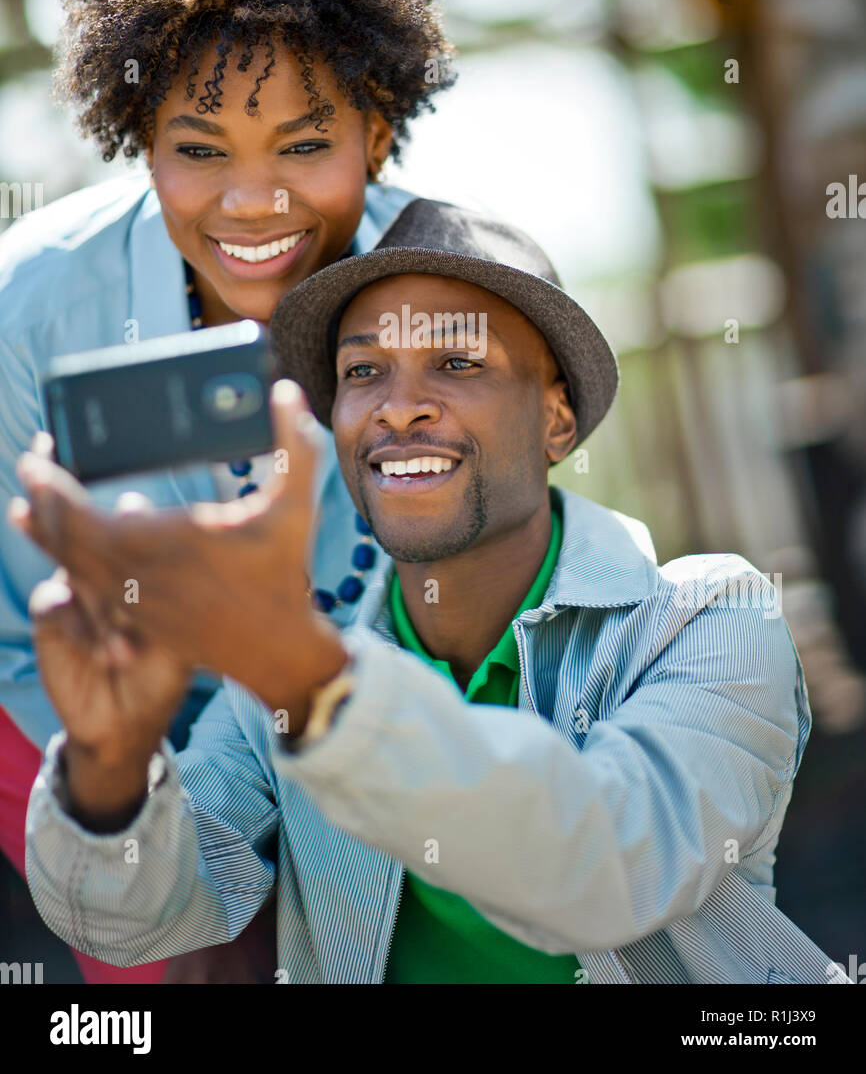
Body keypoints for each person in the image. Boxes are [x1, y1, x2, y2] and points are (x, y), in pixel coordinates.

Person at [16, 198, 844, 983]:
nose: (400, 408)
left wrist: (312, 681)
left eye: (456, 362)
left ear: (558, 420)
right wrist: (111, 762)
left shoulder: (708, 619)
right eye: (364, 370)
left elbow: (610, 867)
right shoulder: (277, 675)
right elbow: (135, 922)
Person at [0, 0, 455, 982]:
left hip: (374, 718)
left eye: (305, 144)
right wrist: (141, 806)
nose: (253, 202)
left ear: (379, 128)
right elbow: (17, 643)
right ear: (139, 139)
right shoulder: (31, 306)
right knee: (178, 964)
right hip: (80, 718)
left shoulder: (453, 282)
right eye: (198, 152)